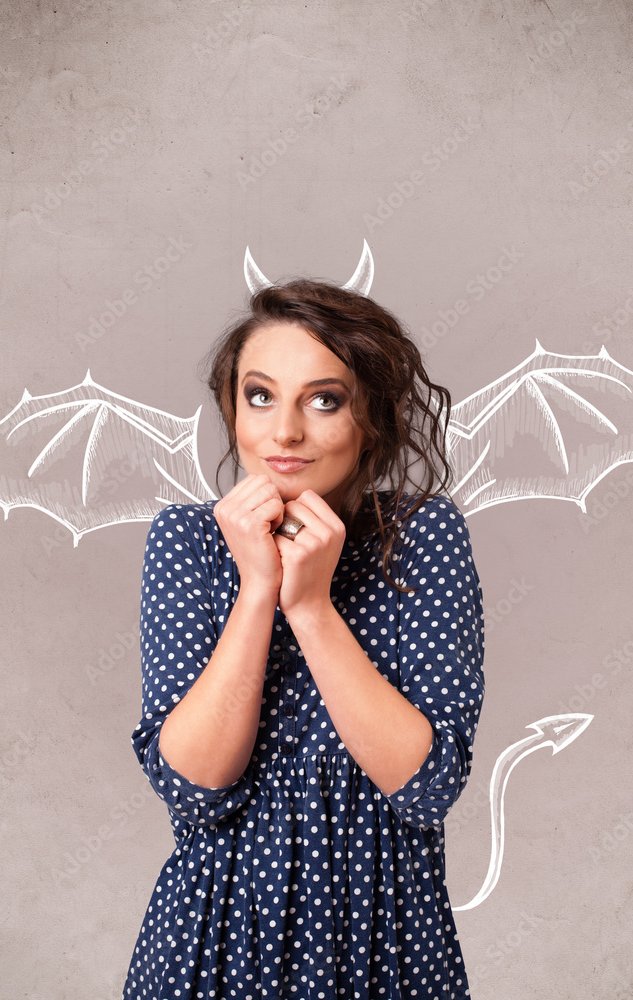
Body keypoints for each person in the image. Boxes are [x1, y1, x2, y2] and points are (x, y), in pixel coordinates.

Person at [123, 278, 486, 1000]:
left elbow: (425, 787)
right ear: (231, 410)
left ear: (372, 417)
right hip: (215, 937)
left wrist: (313, 607)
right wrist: (258, 590)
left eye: (325, 399)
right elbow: (194, 789)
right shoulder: (188, 543)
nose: (284, 432)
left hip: (388, 939)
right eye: (260, 396)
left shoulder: (423, 537)